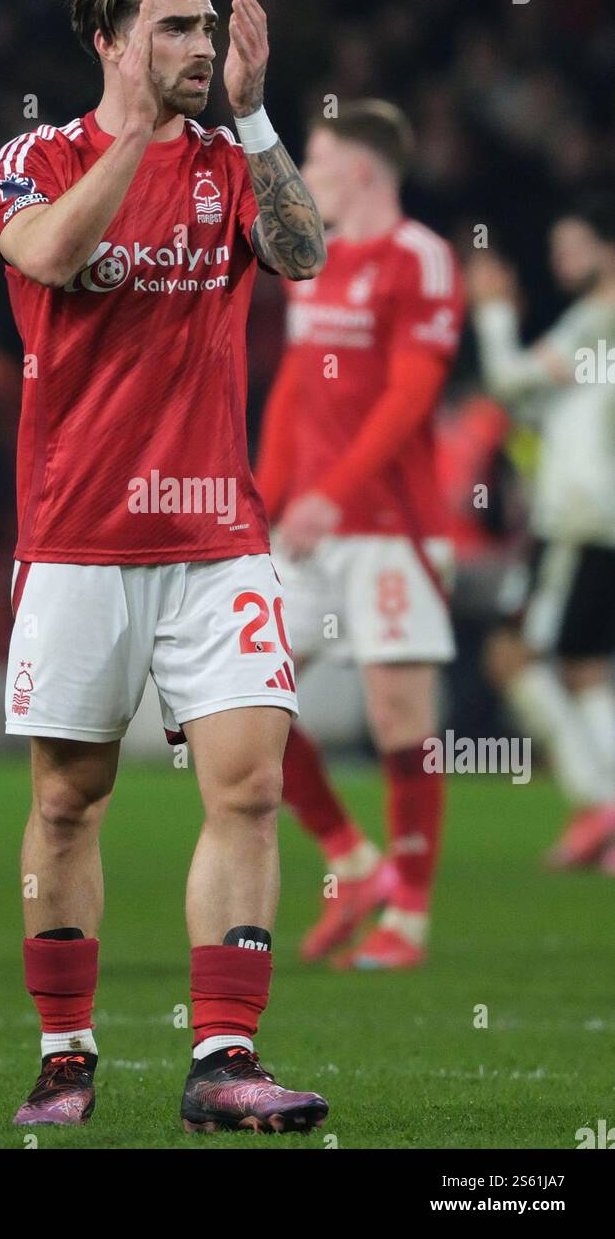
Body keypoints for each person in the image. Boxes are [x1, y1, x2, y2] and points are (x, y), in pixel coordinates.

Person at [0, 0, 329, 1133]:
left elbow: (304, 254)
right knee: (71, 800)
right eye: (173, 29)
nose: (198, 49)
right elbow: (44, 253)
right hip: (78, 537)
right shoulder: (41, 156)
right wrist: (133, 133)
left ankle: (224, 1057)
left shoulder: (233, 164)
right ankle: (65, 1055)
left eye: (206, 30)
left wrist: (257, 115)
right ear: (111, 39)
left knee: (246, 784)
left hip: (215, 537)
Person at [257, 102, 464, 969]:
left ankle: (407, 917)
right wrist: (262, 501)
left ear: (366, 171)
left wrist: (333, 494)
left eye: (321, 158)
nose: (308, 172)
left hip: (389, 525)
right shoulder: (318, 258)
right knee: (244, 702)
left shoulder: (421, 258)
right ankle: (352, 857)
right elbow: (298, 389)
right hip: (306, 526)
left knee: (395, 717)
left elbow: (410, 399)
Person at [468, 198, 615, 873]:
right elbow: (536, 400)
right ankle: (602, 813)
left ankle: (599, 802)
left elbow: (509, 384)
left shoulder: (601, 321)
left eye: (574, 246)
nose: (561, 261)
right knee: (584, 669)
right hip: (585, 520)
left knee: (511, 652)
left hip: (581, 522)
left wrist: (494, 311)